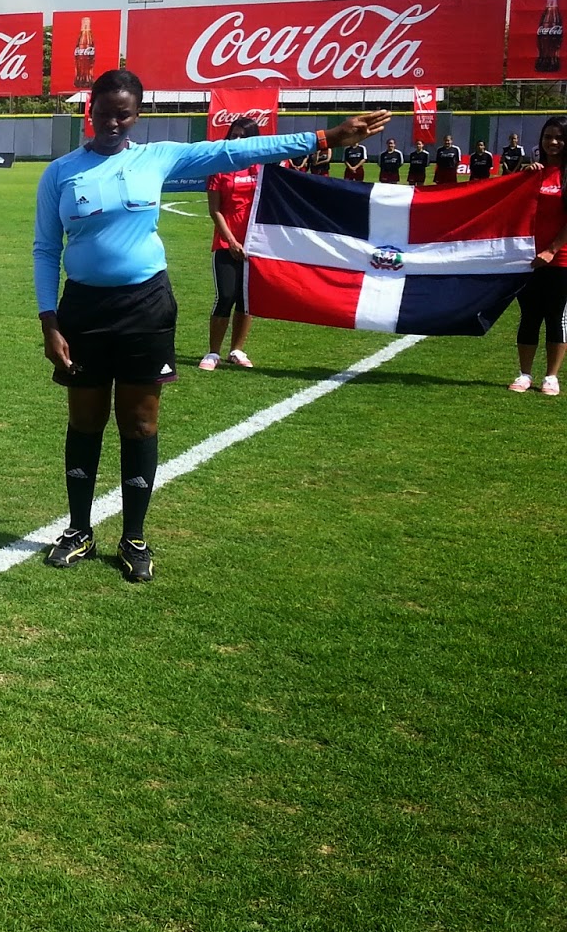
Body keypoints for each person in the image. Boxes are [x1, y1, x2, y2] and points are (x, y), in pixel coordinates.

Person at [35, 68, 387, 582]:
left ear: (137, 115)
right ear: (90, 110)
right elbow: (46, 249)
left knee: (140, 423)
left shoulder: (158, 157)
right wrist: (50, 321)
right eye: (104, 111)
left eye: (123, 113)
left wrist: (326, 137)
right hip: (83, 309)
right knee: (86, 420)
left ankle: (134, 537)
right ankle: (80, 530)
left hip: (146, 306)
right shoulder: (60, 172)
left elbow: (234, 153)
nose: (113, 121)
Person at [199, 116, 264, 371]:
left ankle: (236, 349)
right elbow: (215, 210)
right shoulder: (220, 168)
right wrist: (232, 240)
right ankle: (213, 352)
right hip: (227, 244)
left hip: (255, 244)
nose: (238, 140)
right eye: (234, 135)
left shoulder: (260, 168)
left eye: (244, 136)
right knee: (225, 296)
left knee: (246, 299)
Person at [512, 116, 567, 396]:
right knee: (529, 315)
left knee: (556, 317)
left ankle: (551, 377)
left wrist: (552, 249)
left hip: (561, 259)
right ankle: (524, 374)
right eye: (548, 137)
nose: (553, 142)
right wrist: (523, 175)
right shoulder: (534, 172)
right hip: (529, 258)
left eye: (559, 137)